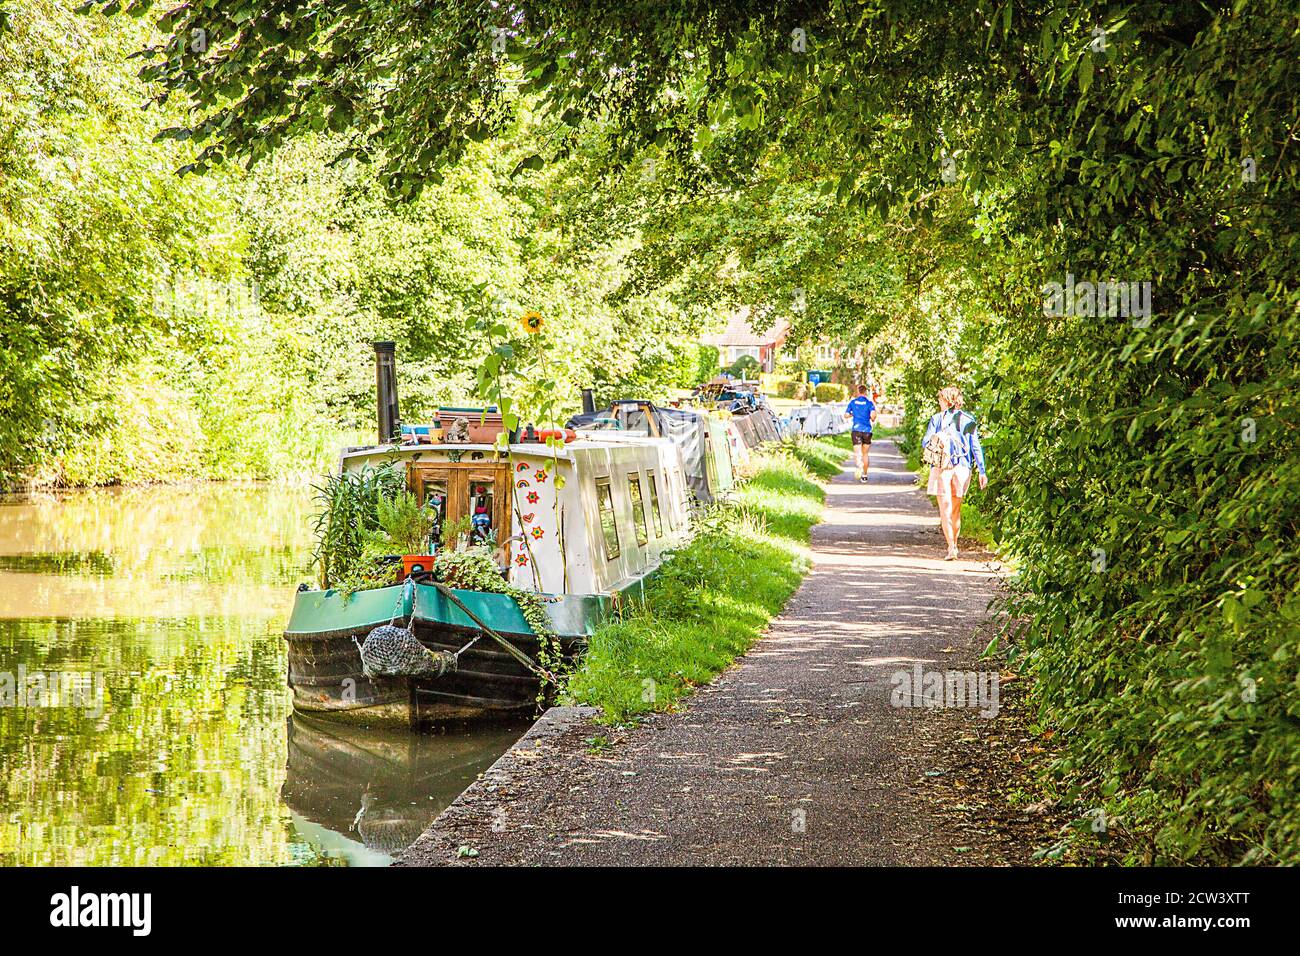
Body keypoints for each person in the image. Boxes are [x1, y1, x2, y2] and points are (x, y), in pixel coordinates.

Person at [923, 386, 987, 559]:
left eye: (941, 400)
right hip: (963, 467)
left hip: (942, 468)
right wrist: (982, 470)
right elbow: (975, 446)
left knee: (945, 508)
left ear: (947, 401)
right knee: (955, 509)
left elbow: (925, 442)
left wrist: (938, 439)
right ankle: (954, 545)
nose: (939, 403)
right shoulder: (968, 420)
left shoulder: (937, 420)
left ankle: (952, 547)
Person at [843, 384, 877, 482]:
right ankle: (865, 475)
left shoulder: (853, 402)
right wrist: (870, 416)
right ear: (865, 392)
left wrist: (853, 414)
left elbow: (846, 415)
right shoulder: (869, 403)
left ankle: (859, 464)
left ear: (858, 392)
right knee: (865, 454)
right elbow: (873, 416)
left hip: (856, 430)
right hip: (867, 431)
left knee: (857, 453)